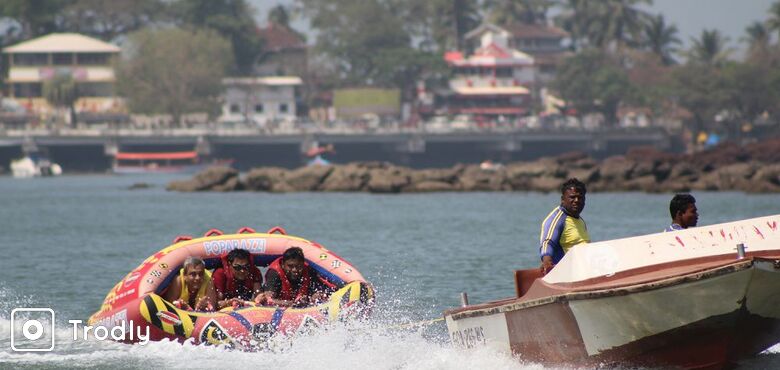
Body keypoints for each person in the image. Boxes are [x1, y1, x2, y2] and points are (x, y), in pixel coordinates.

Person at [539, 178, 590, 274]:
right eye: (572, 197)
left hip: (583, 270)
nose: (576, 200)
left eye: (580, 198)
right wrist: (547, 262)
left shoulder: (581, 221)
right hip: (565, 274)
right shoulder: (557, 219)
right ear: (563, 199)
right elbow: (547, 242)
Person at [257, 247, 335, 307]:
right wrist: (291, 303)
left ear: (303, 264)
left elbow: (322, 289)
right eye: (290, 266)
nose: (295, 270)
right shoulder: (274, 273)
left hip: (298, 305)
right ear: (283, 265)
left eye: (299, 266)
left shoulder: (308, 270)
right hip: (281, 306)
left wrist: (315, 296)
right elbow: (268, 299)